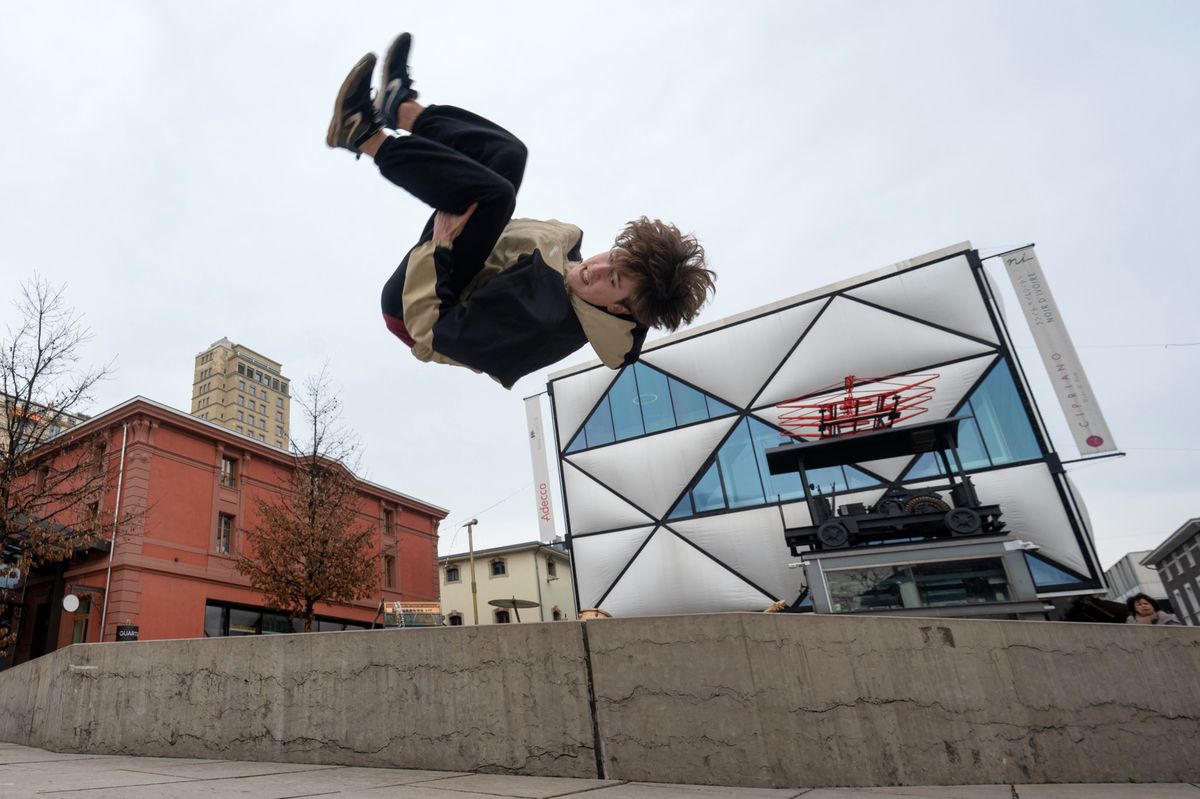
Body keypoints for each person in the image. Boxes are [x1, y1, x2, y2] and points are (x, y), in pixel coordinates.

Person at [326, 34, 717, 389]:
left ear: (617, 307)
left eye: (612, 280)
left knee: (495, 196)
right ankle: (401, 108)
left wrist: (440, 250)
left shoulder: (543, 319)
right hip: (455, 268)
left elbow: (432, 336)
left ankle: (362, 133)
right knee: (509, 156)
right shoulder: (565, 254)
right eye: (611, 258)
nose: (595, 268)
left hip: (417, 308)